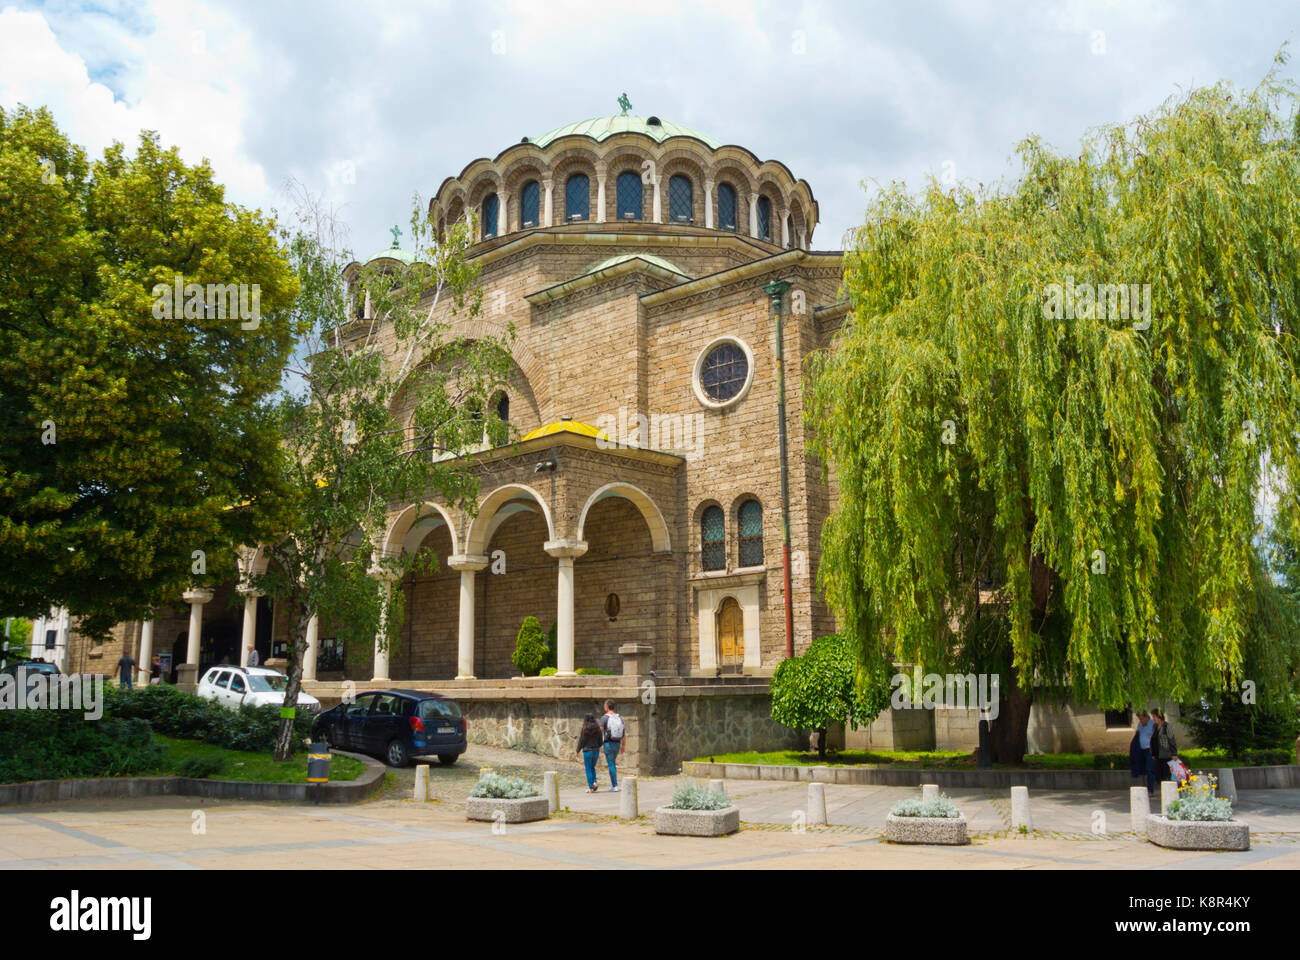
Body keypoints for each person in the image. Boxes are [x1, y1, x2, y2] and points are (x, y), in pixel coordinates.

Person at [597, 699, 625, 792]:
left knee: (611, 764)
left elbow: (599, 730)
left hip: (608, 743)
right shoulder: (619, 717)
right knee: (613, 763)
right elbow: (624, 733)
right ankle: (614, 784)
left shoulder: (605, 718)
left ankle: (614, 785)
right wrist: (623, 745)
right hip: (617, 743)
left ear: (606, 707)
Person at [1129, 709, 1156, 795]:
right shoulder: (1140, 725)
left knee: (1149, 769)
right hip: (1142, 750)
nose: (1140, 721)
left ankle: (1150, 790)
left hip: (1150, 750)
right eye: (1139, 719)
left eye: (1141, 719)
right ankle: (1145, 788)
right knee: (1143, 769)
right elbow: (1138, 735)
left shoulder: (1153, 724)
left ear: (1146, 717)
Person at [576, 713, 604, 793]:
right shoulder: (598, 729)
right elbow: (601, 742)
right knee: (592, 767)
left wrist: (577, 750)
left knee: (588, 769)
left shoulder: (585, 729)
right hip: (596, 751)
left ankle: (591, 787)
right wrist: (597, 746)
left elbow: (581, 741)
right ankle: (594, 782)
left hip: (587, 751)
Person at [1151, 708, 1178, 784]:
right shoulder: (1154, 726)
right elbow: (1153, 740)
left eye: (1154, 717)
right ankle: (1162, 789)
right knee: (1158, 774)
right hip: (1157, 755)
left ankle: (1168, 790)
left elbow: (1172, 740)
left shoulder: (1167, 726)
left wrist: (1174, 754)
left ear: (1159, 717)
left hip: (1166, 754)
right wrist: (1152, 753)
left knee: (1166, 775)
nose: (1153, 719)